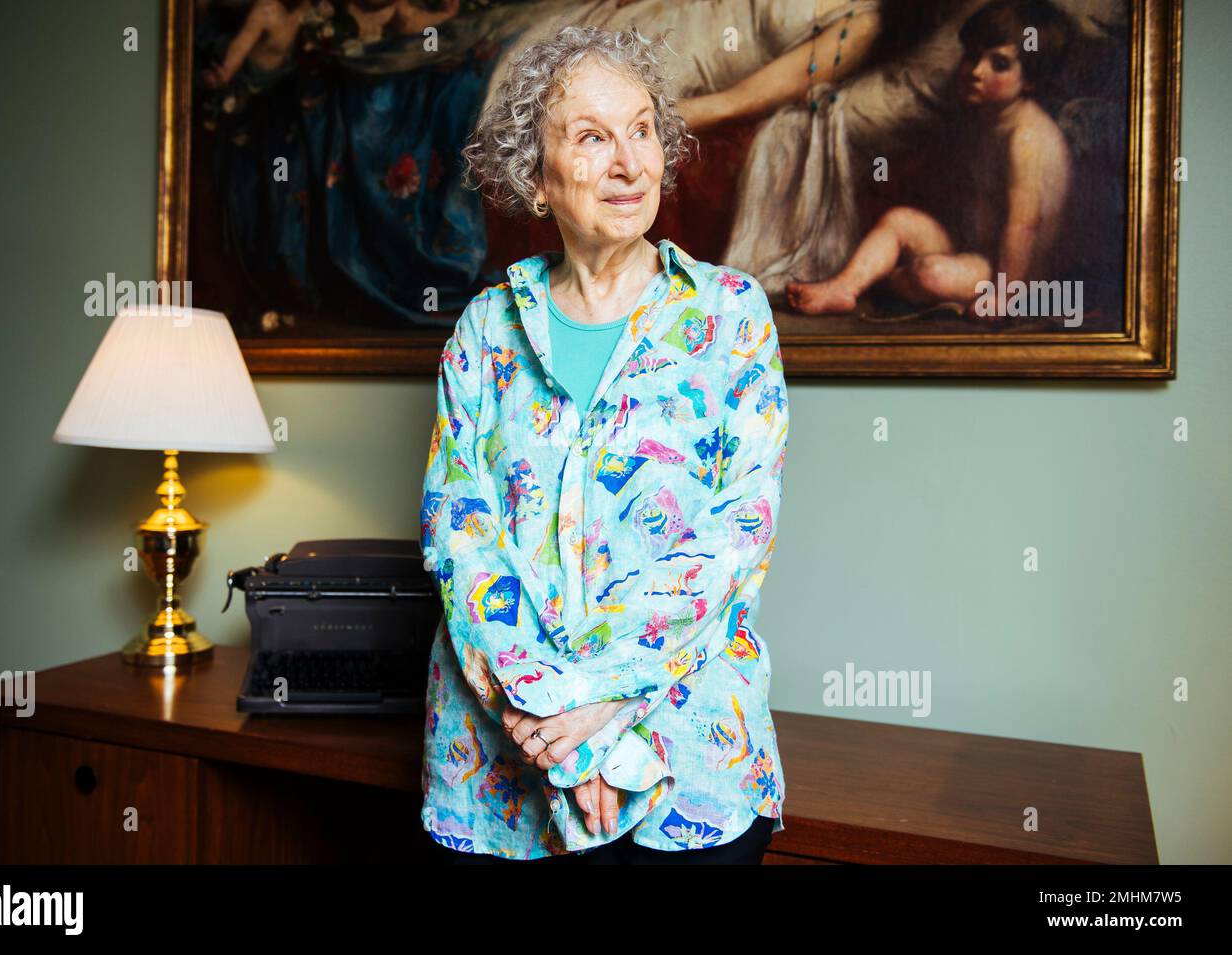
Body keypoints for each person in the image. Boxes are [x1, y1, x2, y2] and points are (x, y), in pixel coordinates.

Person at [417, 24, 789, 863]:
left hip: (688, 763)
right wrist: (571, 735)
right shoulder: (484, 330)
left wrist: (590, 707)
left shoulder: (731, 316)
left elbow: (733, 538)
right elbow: (458, 537)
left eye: (643, 129)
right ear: (535, 176)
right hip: (498, 780)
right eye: (591, 137)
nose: (630, 163)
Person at [786, 0, 1072, 319]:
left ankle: (892, 282)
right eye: (972, 57)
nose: (976, 72)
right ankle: (844, 287)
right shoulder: (984, 120)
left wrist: (1006, 295)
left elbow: (1024, 226)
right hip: (977, 255)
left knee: (930, 273)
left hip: (1018, 273)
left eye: (999, 65)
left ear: (1032, 79)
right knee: (900, 221)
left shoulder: (1027, 138)